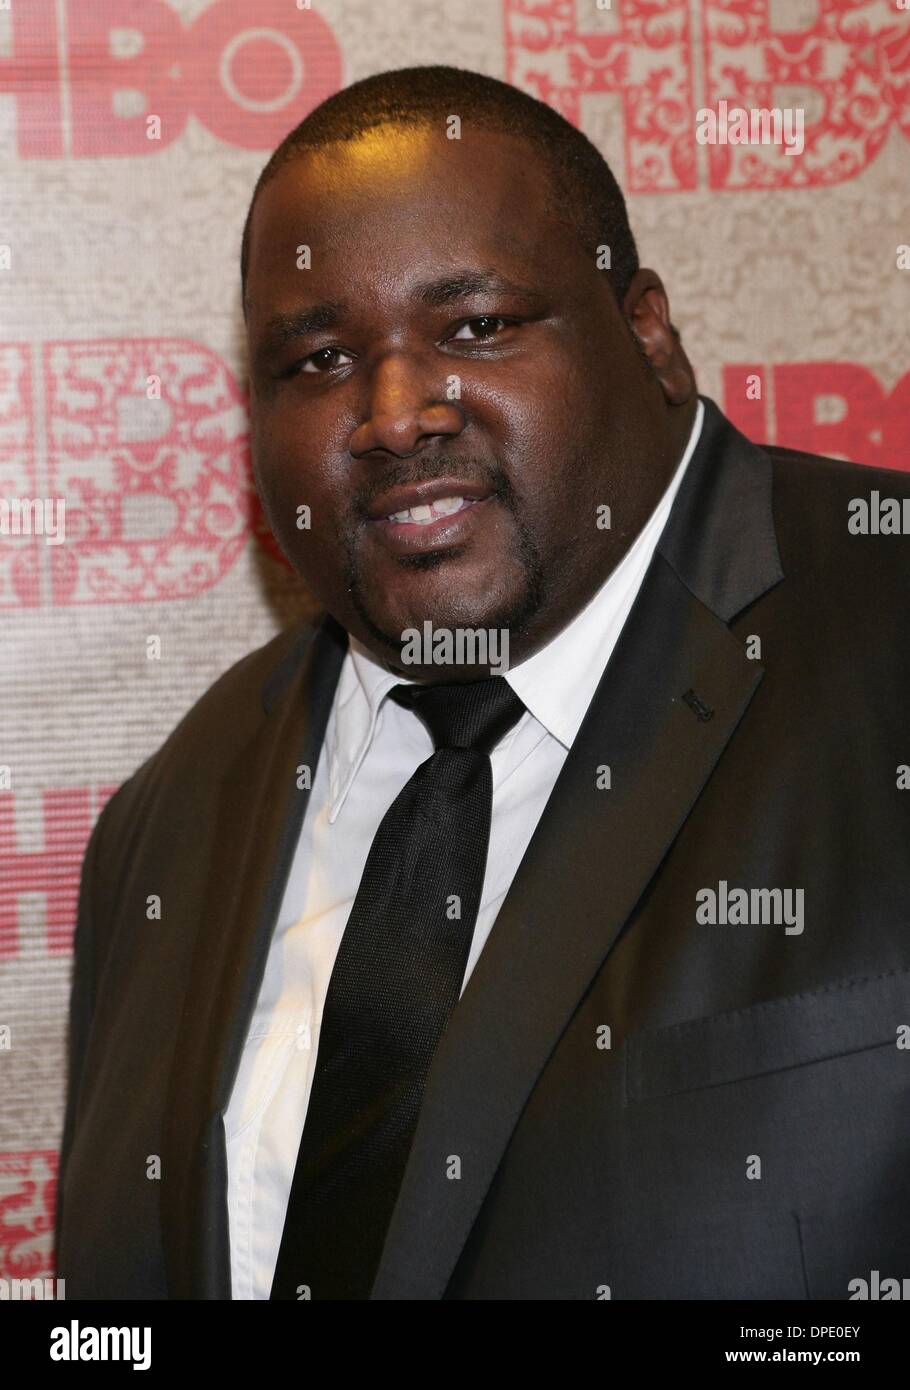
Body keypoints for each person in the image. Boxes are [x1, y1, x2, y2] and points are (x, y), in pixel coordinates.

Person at [55, 65, 910, 1301]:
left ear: (649, 333)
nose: (395, 415)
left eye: (475, 327)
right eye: (316, 358)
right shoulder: (163, 822)